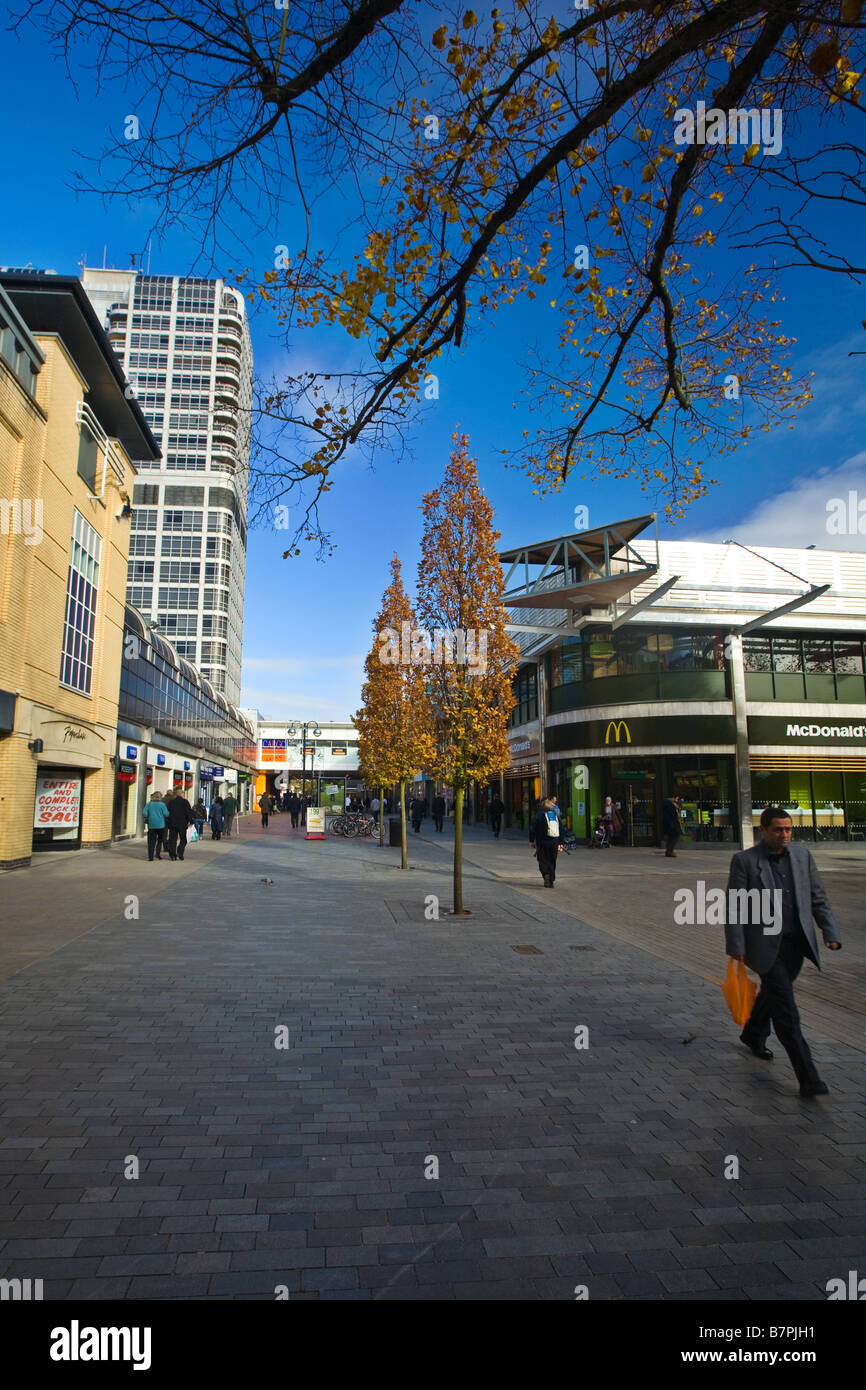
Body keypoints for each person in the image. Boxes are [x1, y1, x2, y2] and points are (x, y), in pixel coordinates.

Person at [726, 806, 842, 1098]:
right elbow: (735, 908)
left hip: (796, 945)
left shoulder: (802, 857)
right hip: (764, 946)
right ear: (762, 830)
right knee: (787, 1012)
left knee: (774, 994)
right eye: (778, 829)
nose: (784, 834)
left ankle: (753, 1033)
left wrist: (830, 932)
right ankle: (809, 1078)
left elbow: (818, 897)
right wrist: (736, 947)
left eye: (788, 829)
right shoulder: (745, 861)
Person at [530, 796, 562, 888]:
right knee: (552, 860)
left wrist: (531, 841)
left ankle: (546, 874)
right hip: (554, 841)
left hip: (542, 842)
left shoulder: (539, 815)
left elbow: (532, 829)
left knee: (542, 860)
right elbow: (561, 829)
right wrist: (560, 843)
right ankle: (551, 879)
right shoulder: (555, 814)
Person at [167, 789, 195, 860]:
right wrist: (191, 821)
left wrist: (168, 821)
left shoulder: (171, 802)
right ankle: (180, 852)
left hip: (173, 823)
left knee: (172, 839)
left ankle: (172, 855)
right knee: (183, 839)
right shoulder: (185, 802)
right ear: (182, 794)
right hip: (182, 823)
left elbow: (168, 812)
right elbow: (188, 812)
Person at [142, 792, 169, 861]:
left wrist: (149, 815)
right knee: (160, 840)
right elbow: (166, 814)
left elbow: (144, 813)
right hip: (161, 825)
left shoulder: (149, 804)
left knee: (151, 841)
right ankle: (158, 854)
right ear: (160, 797)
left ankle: (150, 857)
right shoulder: (162, 805)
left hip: (152, 825)